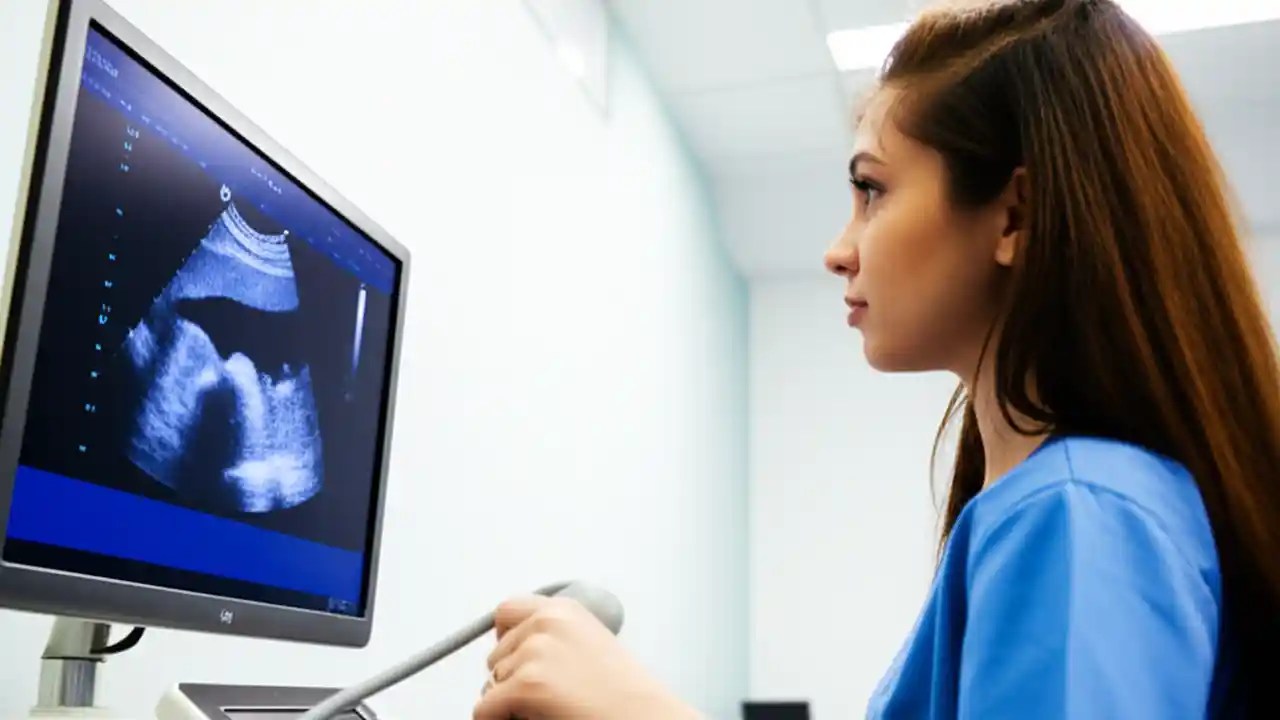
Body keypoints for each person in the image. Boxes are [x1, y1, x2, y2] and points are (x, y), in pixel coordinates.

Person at [472, 0, 1280, 717]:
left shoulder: (1078, 511)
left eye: (872, 191)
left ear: (1015, 215)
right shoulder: (1078, 508)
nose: (838, 249)